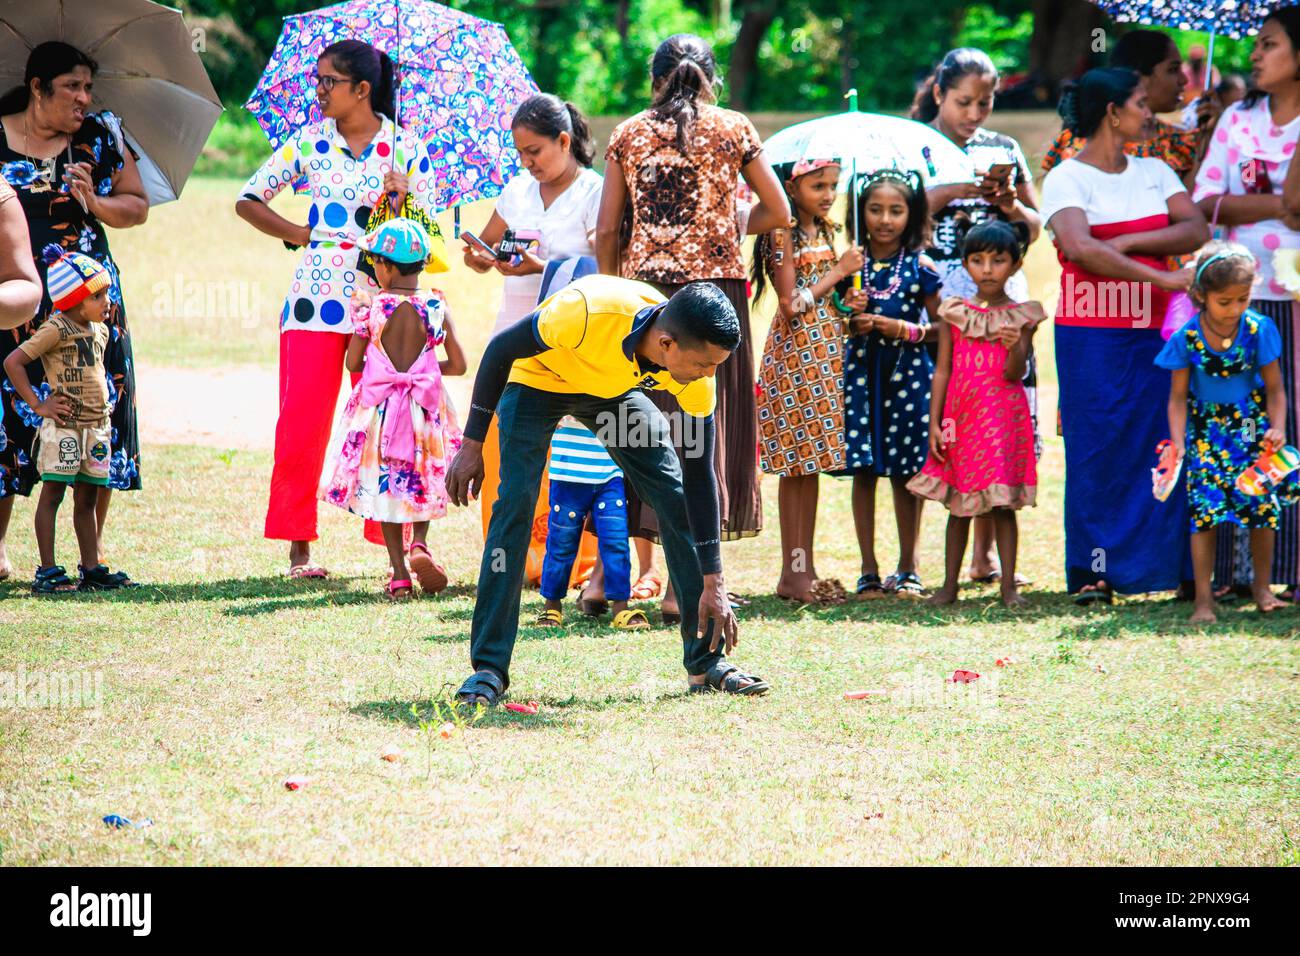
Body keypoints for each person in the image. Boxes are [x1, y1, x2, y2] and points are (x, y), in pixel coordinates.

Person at [444, 275, 769, 706]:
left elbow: (698, 477)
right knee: (516, 505)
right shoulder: (583, 313)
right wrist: (472, 443)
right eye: (705, 364)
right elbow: (501, 349)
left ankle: (705, 663)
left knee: (674, 494)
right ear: (667, 344)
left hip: (611, 394)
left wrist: (716, 579)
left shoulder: (697, 378)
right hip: (538, 381)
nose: (711, 375)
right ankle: (488, 669)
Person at [596, 32, 790, 623]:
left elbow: (606, 231)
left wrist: (615, 291)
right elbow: (778, 211)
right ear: (715, 78)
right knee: (704, 438)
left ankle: (630, 573)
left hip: (648, 306)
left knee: (642, 433)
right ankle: (695, 585)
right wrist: (730, 223)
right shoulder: (734, 129)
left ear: (656, 80)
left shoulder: (628, 134)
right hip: (715, 304)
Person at [236, 39, 435, 579]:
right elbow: (248, 198)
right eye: (318, 80)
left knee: (397, 418)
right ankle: (299, 545)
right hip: (313, 303)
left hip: (387, 303)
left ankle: (395, 535)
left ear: (362, 89)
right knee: (302, 420)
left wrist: (405, 202)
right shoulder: (308, 142)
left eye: (329, 82)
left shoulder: (406, 148)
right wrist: (302, 233)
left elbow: (430, 241)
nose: (319, 90)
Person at [1040, 68, 1208, 603]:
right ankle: (1094, 570)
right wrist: (1159, 272)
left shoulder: (1156, 171)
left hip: (1158, 332)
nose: (1149, 113)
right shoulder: (1067, 177)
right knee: (1097, 445)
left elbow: (1195, 228)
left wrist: (1128, 239)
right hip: (1091, 333)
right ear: (1113, 112)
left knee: (1163, 439)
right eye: (1140, 103)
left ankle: (1170, 568)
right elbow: (1079, 246)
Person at [0, 41, 149, 585]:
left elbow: (136, 206)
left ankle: (91, 557)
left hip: (89, 307)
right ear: (38, 88)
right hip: (13, 302)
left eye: (89, 87)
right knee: (11, 421)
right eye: (72, 87)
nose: (84, 99)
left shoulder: (98, 135)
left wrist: (96, 203)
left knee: (95, 417)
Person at [462, 94, 606, 590]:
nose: (528, 162)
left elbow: (604, 272)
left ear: (565, 142)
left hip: (572, 343)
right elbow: (483, 247)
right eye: (521, 152)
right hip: (515, 335)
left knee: (569, 452)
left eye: (537, 151)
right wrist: (481, 258)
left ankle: (572, 564)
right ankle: (511, 559)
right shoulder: (517, 191)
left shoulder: (594, 192)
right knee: (509, 448)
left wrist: (541, 266)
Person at [912, 46, 1043, 588]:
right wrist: (963, 188)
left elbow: (1038, 226)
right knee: (951, 422)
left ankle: (986, 556)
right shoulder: (916, 143)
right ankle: (915, 562)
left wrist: (1009, 204)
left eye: (985, 103)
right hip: (940, 299)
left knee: (999, 417)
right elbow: (900, 205)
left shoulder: (1003, 146)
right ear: (940, 93)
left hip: (1002, 302)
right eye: (964, 101)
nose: (974, 113)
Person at [1193, 7, 1300, 601]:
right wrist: (1277, 208)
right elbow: (1208, 199)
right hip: (1241, 301)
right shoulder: (1237, 119)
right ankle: (1238, 575)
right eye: (1257, 45)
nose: (1255, 55)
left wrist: (1256, 202)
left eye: (1269, 44)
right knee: (1243, 428)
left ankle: (1294, 566)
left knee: (1294, 424)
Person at [318, 219, 464, 599]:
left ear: (386, 266)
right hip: (423, 409)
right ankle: (419, 544)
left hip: (382, 410)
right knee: (421, 477)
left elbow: (354, 365)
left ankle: (399, 574)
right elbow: (460, 364)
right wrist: (424, 373)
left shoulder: (371, 308)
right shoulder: (436, 304)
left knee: (385, 482)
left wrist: (392, 373)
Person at [1156, 244, 1297, 622]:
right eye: (1224, 301)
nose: (1234, 309)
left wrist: (1278, 428)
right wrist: (1179, 442)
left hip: (1251, 427)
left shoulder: (1259, 329)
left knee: (1261, 508)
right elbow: (1178, 397)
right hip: (1206, 431)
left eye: (1243, 299)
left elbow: (1275, 390)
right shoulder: (1187, 337)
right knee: (1204, 513)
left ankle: (1262, 591)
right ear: (1201, 296)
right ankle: (1204, 600)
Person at [908, 221, 1043, 608]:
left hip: (1003, 420)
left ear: (1015, 265)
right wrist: (935, 422)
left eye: (998, 261)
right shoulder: (955, 313)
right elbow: (944, 370)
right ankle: (949, 586)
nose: (987, 269)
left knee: (1002, 506)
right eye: (977, 260)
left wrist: (1015, 345)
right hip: (961, 420)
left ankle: (1008, 589)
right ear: (965, 264)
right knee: (959, 504)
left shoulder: (1022, 317)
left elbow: (1016, 372)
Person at [751, 157, 863, 604]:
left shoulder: (829, 232)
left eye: (834, 186)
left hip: (826, 356)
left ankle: (803, 569)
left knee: (810, 466)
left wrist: (847, 295)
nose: (829, 194)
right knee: (797, 468)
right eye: (819, 186)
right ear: (792, 188)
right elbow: (790, 304)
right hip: (796, 359)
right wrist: (837, 272)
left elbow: (824, 296)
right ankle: (793, 573)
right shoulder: (782, 233)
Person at [2, 247, 135, 593]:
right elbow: (14, 362)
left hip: (96, 427)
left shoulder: (100, 331)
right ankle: (47, 570)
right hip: (64, 428)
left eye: (106, 293)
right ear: (75, 300)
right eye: (98, 295)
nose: (107, 301)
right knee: (54, 493)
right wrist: (39, 404)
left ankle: (91, 567)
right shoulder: (55, 329)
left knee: (89, 497)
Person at [838, 169, 942, 599]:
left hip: (907, 377)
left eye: (895, 210)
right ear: (860, 213)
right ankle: (868, 569)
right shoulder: (851, 264)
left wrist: (901, 328)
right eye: (875, 209)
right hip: (862, 376)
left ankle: (908, 567)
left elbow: (943, 327)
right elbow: (832, 320)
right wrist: (849, 309)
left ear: (911, 213)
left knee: (905, 472)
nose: (884, 219)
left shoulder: (921, 265)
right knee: (865, 472)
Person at [1043, 31, 1218, 189]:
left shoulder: (1178, 140)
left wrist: (1211, 137)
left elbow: (1192, 208)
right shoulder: (1082, 151)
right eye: (1172, 69)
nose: (1184, 80)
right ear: (1138, 76)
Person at [535, 416, 647, 630]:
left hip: (610, 473)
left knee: (616, 541)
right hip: (567, 473)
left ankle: (621, 608)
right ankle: (551, 606)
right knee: (561, 543)